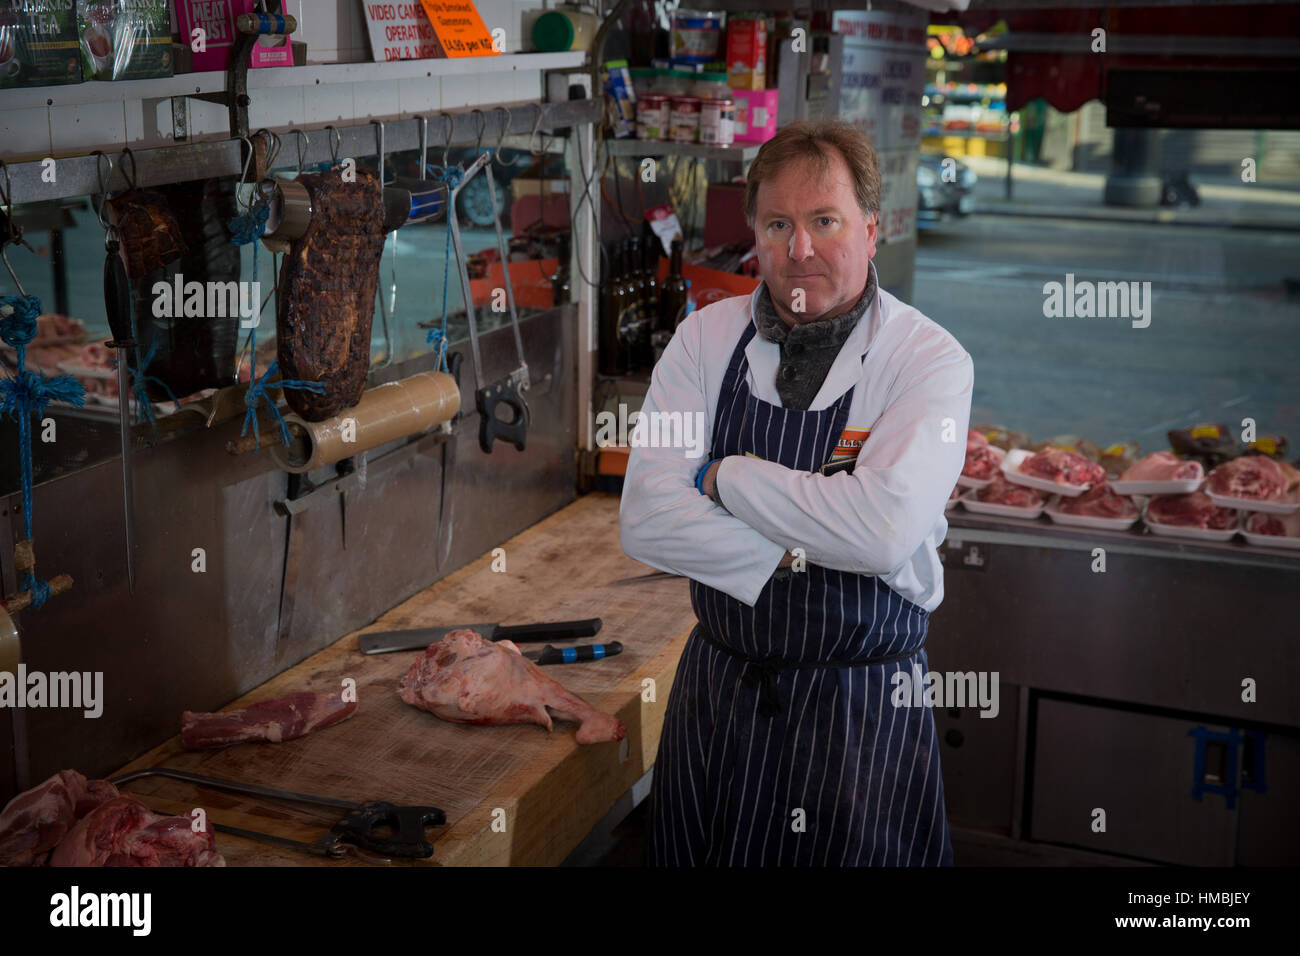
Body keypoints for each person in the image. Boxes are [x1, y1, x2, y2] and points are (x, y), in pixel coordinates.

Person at [619, 120, 973, 866]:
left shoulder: (928, 361)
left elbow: (878, 532)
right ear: (755, 232)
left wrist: (724, 477)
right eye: (778, 224)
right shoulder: (704, 341)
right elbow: (648, 518)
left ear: (871, 230)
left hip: (859, 717)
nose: (799, 249)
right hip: (720, 698)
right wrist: (805, 546)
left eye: (824, 221)